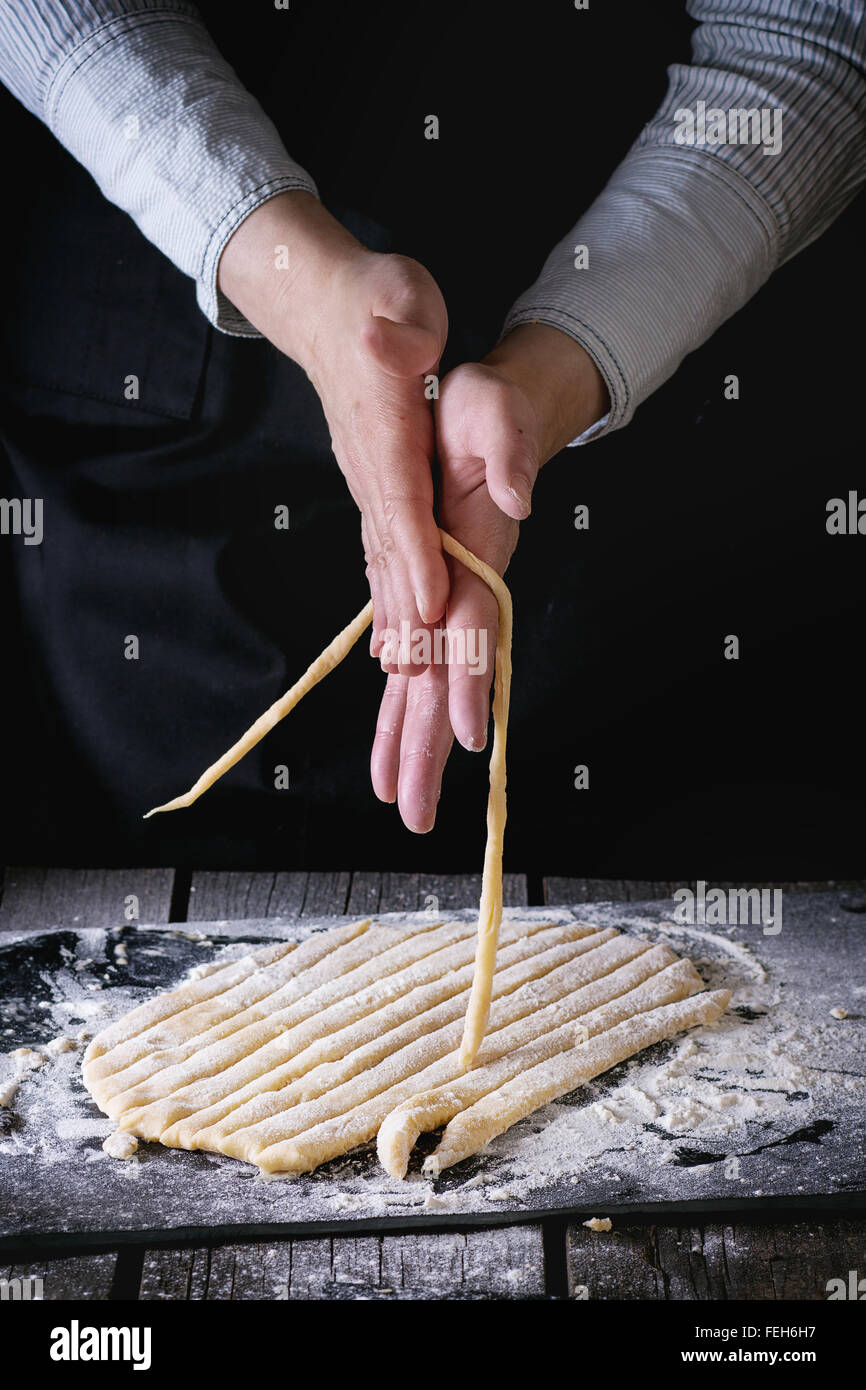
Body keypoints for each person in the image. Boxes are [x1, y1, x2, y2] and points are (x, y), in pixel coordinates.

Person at [0, 1, 864, 864]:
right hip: (147, 406)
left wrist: (553, 372)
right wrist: (301, 287)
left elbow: (807, 40)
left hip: (648, 372)